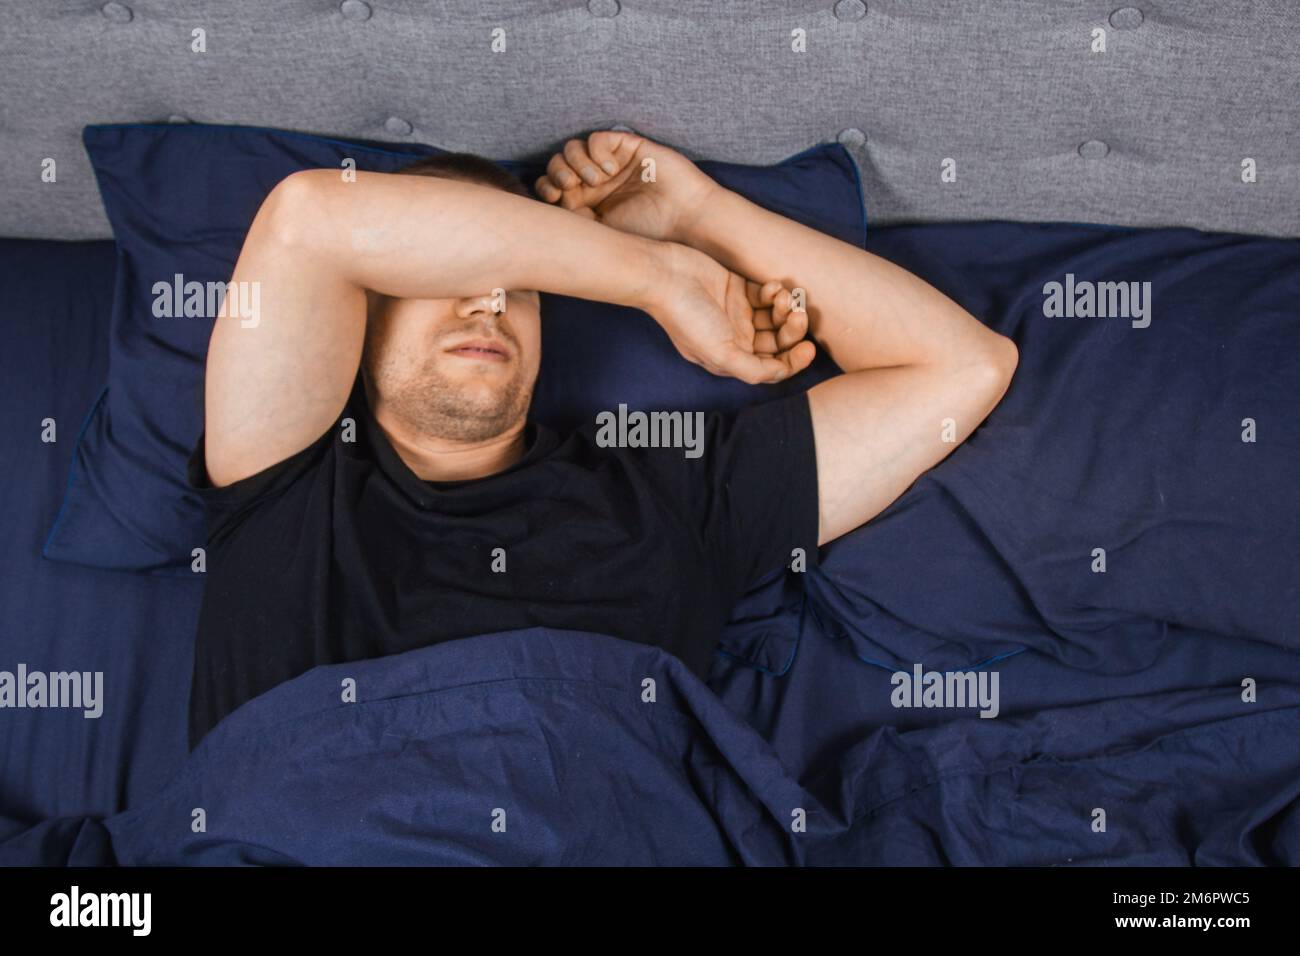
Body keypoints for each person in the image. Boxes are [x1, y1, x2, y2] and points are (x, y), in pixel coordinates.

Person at [186, 131, 1018, 749]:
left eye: (523, 287)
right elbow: (311, 220)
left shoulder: (669, 497)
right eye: (442, 278)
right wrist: (653, 275)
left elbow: (961, 366)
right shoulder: (284, 479)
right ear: (356, 319)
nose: (487, 304)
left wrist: (695, 217)